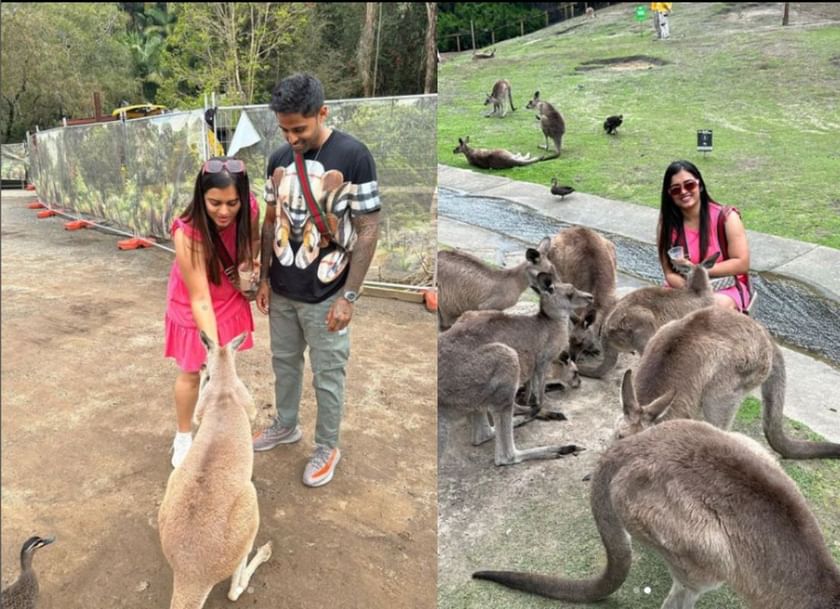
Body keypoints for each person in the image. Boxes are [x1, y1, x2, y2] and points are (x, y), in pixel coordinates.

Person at [252, 73, 381, 488]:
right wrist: (264, 279)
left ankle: (327, 445)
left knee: (328, 374)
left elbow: (368, 229)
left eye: (299, 129)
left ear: (322, 113)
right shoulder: (276, 160)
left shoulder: (354, 155)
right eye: (284, 129)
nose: (291, 138)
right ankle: (286, 424)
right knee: (284, 366)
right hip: (285, 289)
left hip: (328, 292)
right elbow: (270, 222)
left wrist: (350, 296)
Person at [164, 157, 260, 468]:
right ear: (201, 197)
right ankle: (183, 436)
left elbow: (253, 241)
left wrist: (249, 265)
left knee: (226, 374)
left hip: (228, 296)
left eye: (232, 203)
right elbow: (200, 298)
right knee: (193, 372)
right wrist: (214, 349)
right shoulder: (188, 230)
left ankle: (220, 429)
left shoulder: (252, 209)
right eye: (214, 203)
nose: (224, 211)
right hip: (194, 304)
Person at [657, 160, 752, 312]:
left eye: (689, 185)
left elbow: (741, 263)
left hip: (724, 288)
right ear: (669, 195)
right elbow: (668, 272)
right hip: (683, 289)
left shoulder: (727, 217)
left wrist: (697, 272)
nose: (683, 192)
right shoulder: (667, 225)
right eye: (676, 189)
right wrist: (691, 290)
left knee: (712, 309)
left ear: (699, 185)